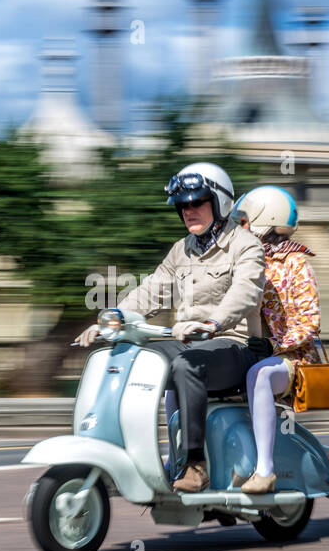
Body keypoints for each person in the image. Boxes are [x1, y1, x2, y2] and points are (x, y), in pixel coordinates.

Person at [74, 162, 264, 492]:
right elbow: (151, 290)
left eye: (197, 202)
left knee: (185, 366)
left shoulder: (245, 245)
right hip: (192, 343)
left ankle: (195, 465)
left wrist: (212, 323)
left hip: (235, 346)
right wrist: (111, 321)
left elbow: (245, 292)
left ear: (219, 203)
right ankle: (123, 451)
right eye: (182, 205)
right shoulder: (182, 251)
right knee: (134, 355)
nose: (188, 210)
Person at [230, 186, 322, 494]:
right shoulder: (244, 260)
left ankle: (265, 471)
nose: (238, 226)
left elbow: (310, 322)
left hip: (294, 359)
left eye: (244, 221)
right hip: (255, 351)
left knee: (261, 374)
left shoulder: (296, 264)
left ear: (263, 219)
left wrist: (275, 345)